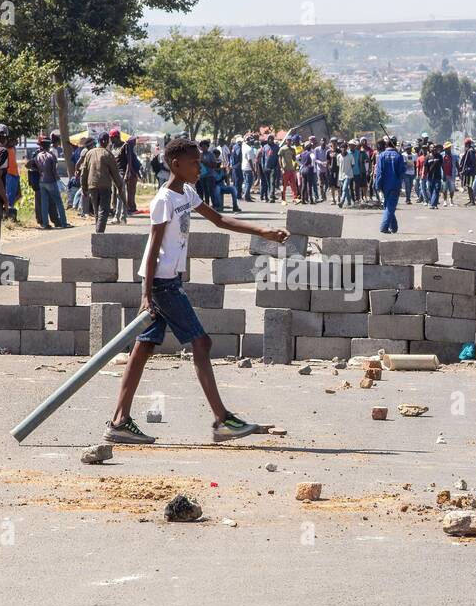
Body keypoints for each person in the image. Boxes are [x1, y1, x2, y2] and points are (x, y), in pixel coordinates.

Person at [103, 137, 289, 446]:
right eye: (194, 163)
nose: (199, 168)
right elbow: (152, 248)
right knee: (201, 342)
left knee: (143, 349)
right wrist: (146, 295)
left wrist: (262, 231)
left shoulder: (187, 193)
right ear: (176, 164)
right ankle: (222, 420)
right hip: (162, 284)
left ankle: (119, 421)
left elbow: (219, 219)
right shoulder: (164, 199)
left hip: (170, 281)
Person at [80, 132, 123, 233]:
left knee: (97, 212)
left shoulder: (89, 153)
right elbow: (115, 174)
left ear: (98, 141)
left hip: (92, 186)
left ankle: (98, 232)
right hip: (105, 186)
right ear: (108, 141)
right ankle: (99, 235)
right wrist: (120, 187)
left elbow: (84, 172)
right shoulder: (108, 154)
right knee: (103, 211)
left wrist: (84, 187)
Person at [34, 134, 69, 228]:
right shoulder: (51, 156)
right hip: (51, 181)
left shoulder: (38, 156)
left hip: (41, 182)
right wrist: (58, 180)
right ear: (49, 145)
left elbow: (37, 167)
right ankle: (64, 223)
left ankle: (45, 224)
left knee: (44, 203)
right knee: (59, 202)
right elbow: (54, 171)